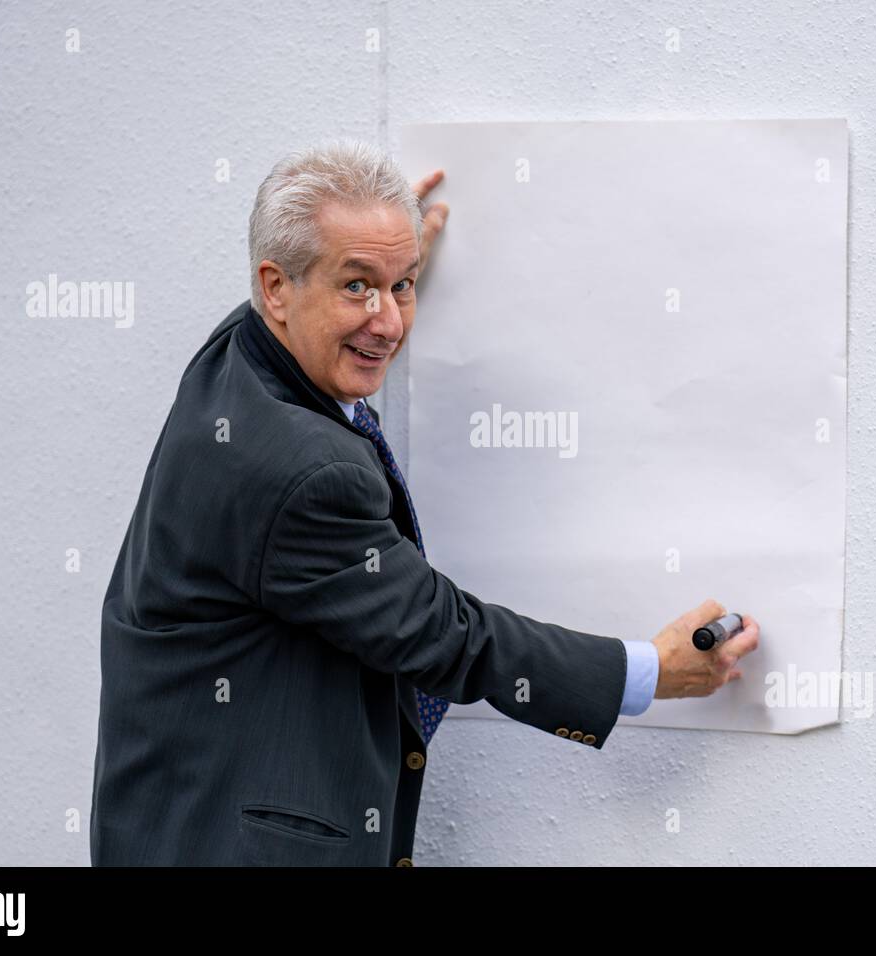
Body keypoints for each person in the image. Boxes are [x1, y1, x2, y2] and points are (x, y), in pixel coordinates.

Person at [89, 139, 760, 866]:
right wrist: (647, 671)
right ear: (275, 288)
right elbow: (446, 635)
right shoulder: (297, 469)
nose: (389, 322)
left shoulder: (242, 354)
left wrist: (369, 268)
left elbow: (341, 288)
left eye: (403, 285)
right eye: (356, 286)